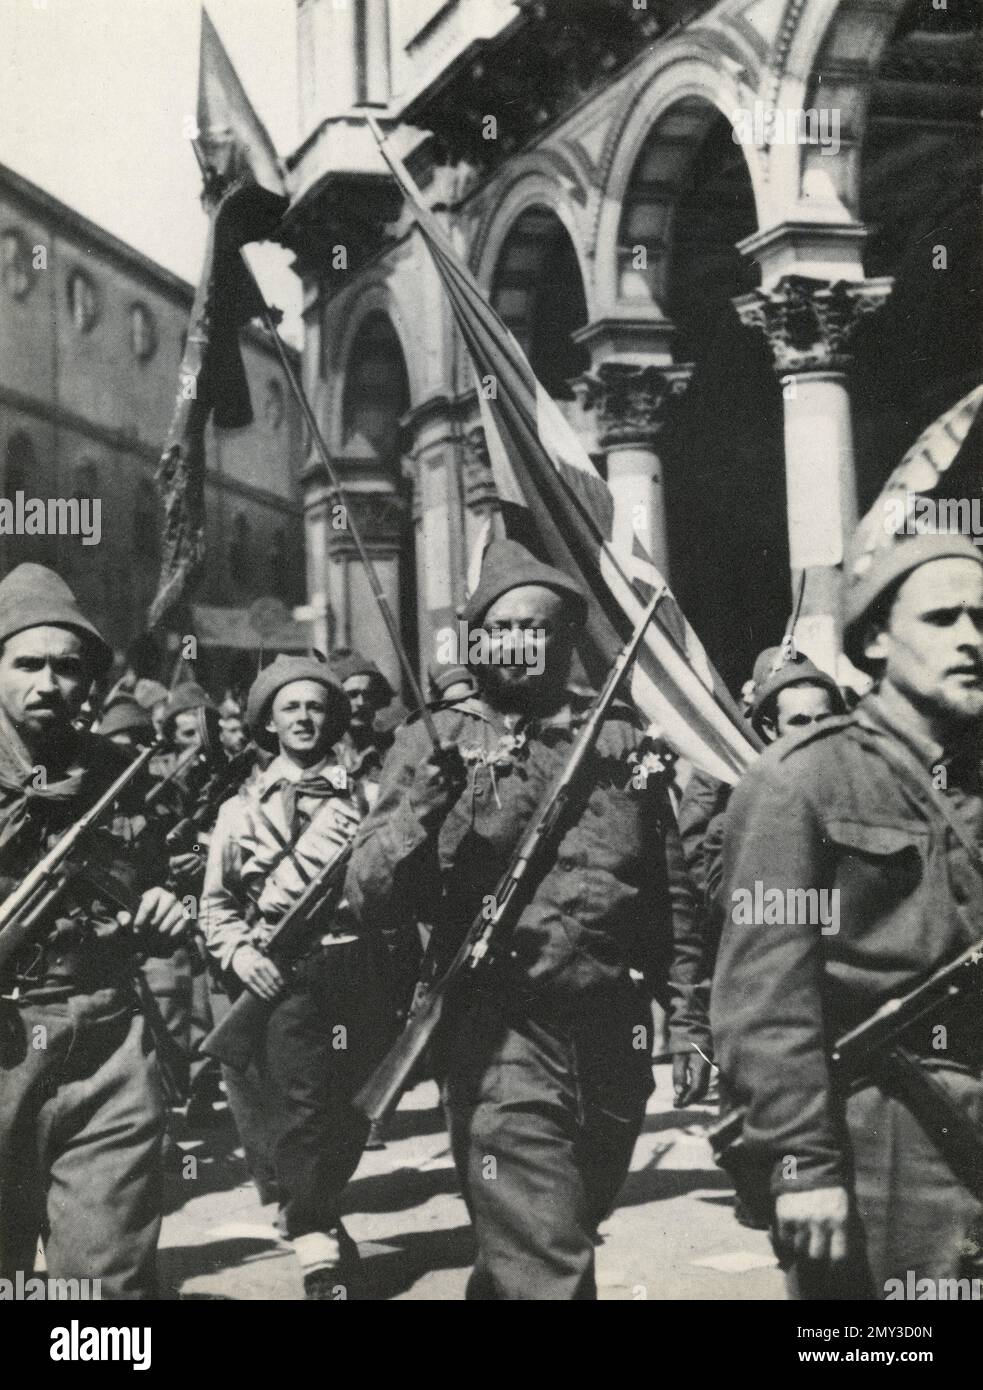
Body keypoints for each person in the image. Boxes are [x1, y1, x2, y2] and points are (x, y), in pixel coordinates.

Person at [346, 538, 711, 1300]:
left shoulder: (622, 745)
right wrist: (421, 807)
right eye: (502, 627)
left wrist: (687, 1018)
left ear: (567, 640)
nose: (518, 643)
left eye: (537, 627)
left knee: (553, 1233)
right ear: (477, 639)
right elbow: (368, 893)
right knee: (549, 1261)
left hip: (613, 1033)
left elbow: (667, 893)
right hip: (495, 1033)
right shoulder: (430, 743)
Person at [712, 531, 983, 1299]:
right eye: (941, 619)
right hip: (881, 1131)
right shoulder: (803, 782)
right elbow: (765, 1000)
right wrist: (800, 1164)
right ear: (874, 640)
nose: (970, 638)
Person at [0, 563, 187, 1298]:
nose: (48, 683)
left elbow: (168, 872)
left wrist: (171, 906)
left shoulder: (122, 774)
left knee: (108, 1281)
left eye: (67, 668)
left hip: (106, 1043)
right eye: (26, 664)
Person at [201, 655, 393, 1298]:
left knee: (354, 1106)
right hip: (283, 977)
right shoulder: (240, 809)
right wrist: (239, 954)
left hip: (359, 969)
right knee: (303, 1105)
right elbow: (217, 903)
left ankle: (317, 1204)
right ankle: (315, 1235)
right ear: (270, 723)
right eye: (291, 708)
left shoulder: (368, 800)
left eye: (316, 707)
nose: (305, 717)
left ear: (333, 718)